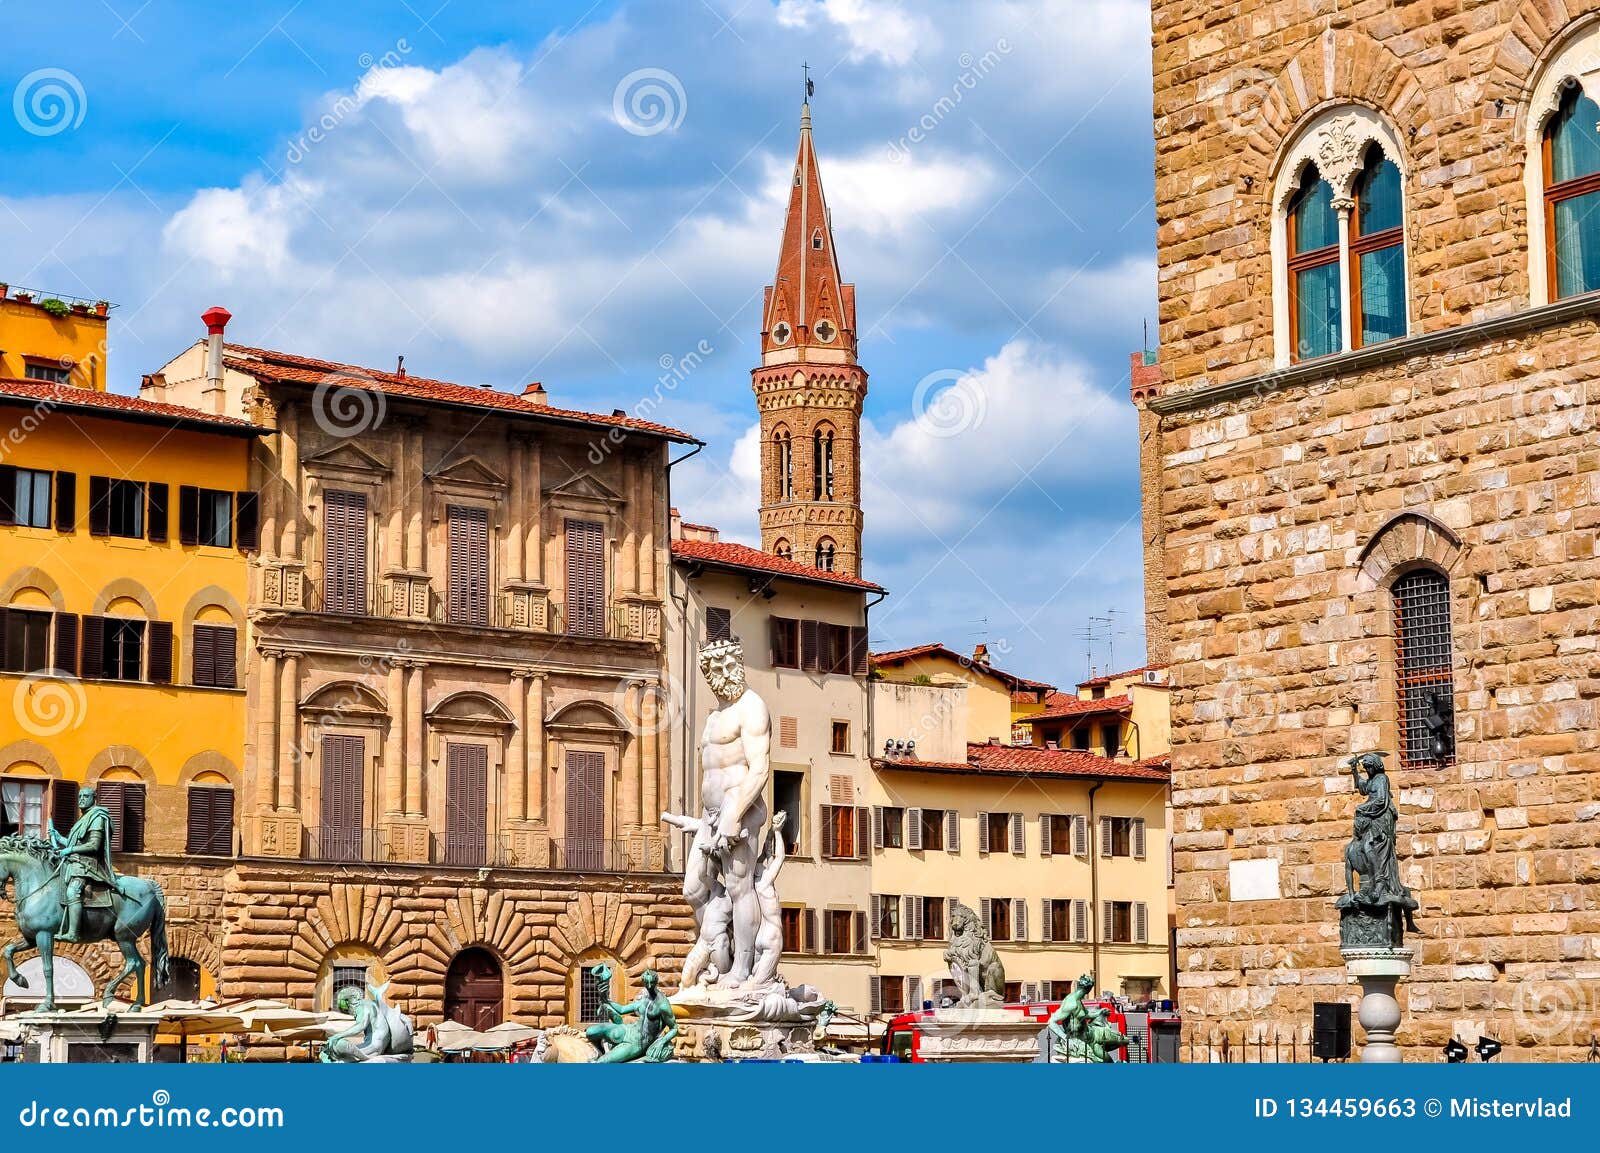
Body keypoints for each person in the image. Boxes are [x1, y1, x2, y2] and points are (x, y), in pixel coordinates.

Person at [49, 787, 116, 943]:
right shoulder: (84, 818)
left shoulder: (97, 817)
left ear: (94, 798)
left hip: (87, 866)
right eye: (80, 796)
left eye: (86, 796)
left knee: (72, 892)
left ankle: (73, 933)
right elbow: (75, 843)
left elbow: (93, 845)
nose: (81, 799)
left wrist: (68, 850)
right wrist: (60, 839)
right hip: (74, 863)